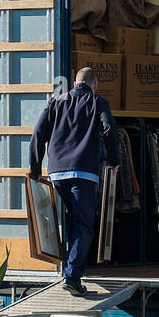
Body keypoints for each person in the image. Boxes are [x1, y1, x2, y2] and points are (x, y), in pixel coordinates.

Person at [28, 67, 120, 296]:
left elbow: (38, 135)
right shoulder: (98, 102)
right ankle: (72, 277)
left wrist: (35, 169)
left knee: (69, 223)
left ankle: (70, 271)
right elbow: (109, 129)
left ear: (74, 83)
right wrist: (114, 160)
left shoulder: (55, 103)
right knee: (83, 225)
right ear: (94, 84)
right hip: (84, 174)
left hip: (57, 173)